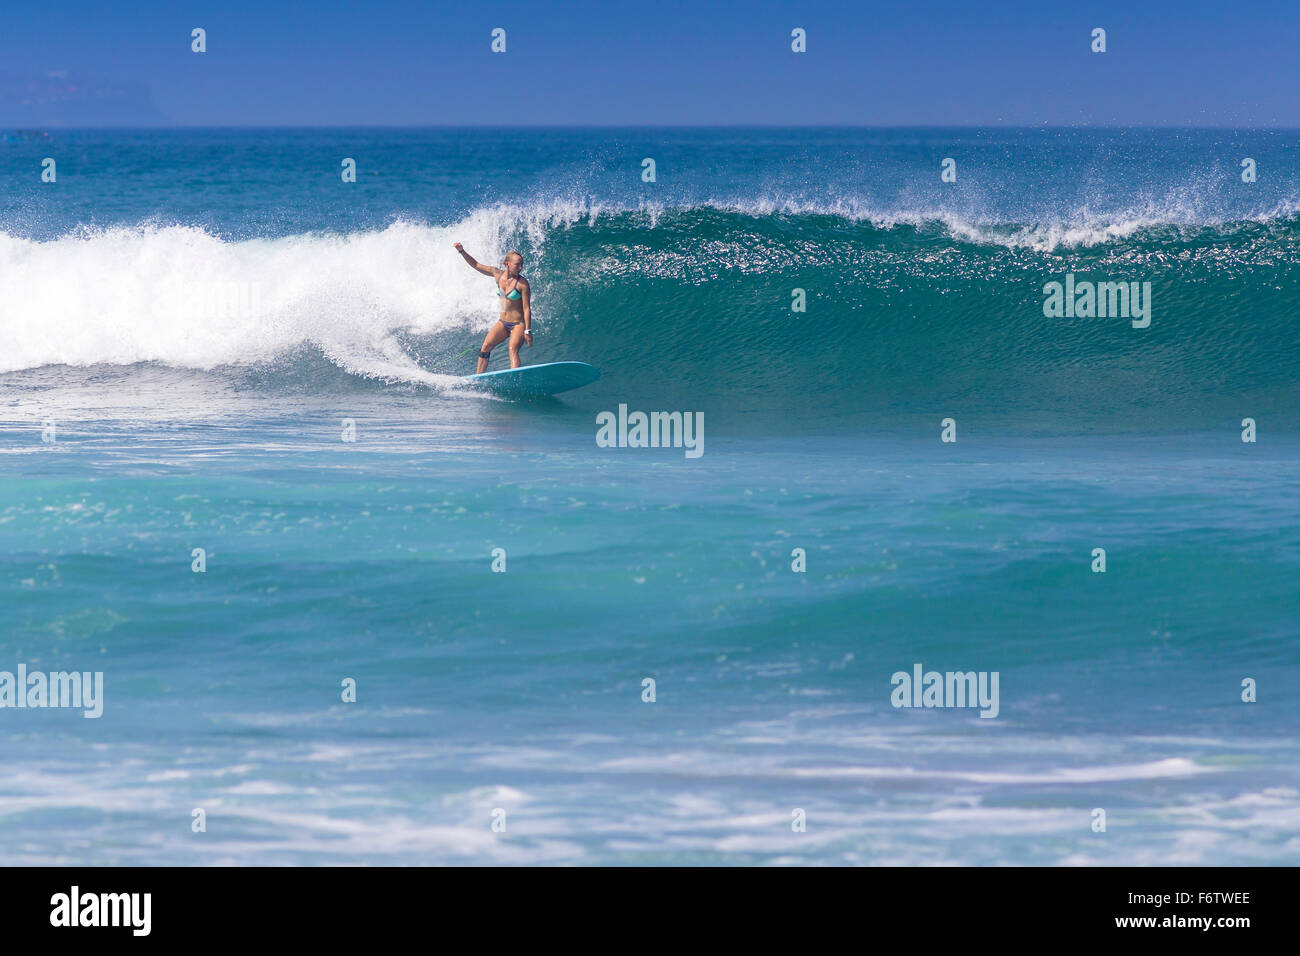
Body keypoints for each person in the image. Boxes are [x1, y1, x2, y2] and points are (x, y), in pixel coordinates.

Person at [453, 243, 532, 372]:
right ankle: (478, 379)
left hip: (518, 324)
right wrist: (462, 251)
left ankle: (516, 378)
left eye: (521, 264)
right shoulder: (497, 274)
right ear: (507, 264)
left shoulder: (522, 284)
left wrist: (527, 330)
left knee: (512, 350)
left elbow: (527, 309)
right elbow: (476, 265)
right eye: (517, 264)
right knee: (485, 348)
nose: (520, 267)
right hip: (503, 323)